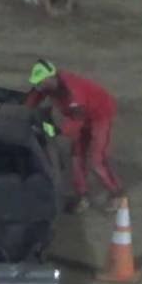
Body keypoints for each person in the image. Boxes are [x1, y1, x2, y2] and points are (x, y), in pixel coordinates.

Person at [25, 59, 124, 214]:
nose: (39, 86)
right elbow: (33, 98)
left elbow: (75, 123)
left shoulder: (73, 94)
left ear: (51, 78)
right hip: (80, 114)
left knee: (97, 160)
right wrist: (25, 112)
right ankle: (82, 196)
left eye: (41, 82)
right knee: (76, 157)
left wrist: (57, 131)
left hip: (100, 115)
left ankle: (117, 194)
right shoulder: (49, 85)